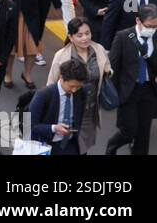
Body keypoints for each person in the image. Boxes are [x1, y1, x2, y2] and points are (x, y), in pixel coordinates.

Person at [107, 5, 157, 155]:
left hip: (148, 90)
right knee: (129, 129)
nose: (153, 29)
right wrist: (114, 92)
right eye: (149, 26)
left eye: (156, 26)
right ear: (138, 21)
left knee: (144, 133)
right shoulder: (123, 37)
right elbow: (113, 67)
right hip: (128, 90)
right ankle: (113, 144)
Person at [46, 18, 111, 154]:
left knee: (82, 147)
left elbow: (107, 68)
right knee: (65, 145)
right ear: (70, 37)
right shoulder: (61, 56)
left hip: (89, 109)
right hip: (67, 109)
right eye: (79, 35)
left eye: (87, 33)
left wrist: (108, 72)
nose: (85, 38)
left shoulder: (98, 49)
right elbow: (51, 84)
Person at [29, 58, 88, 155]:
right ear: (61, 77)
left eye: (78, 87)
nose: (74, 90)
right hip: (46, 146)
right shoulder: (43, 95)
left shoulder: (81, 92)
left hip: (70, 145)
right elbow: (30, 125)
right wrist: (54, 128)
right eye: (71, 86)